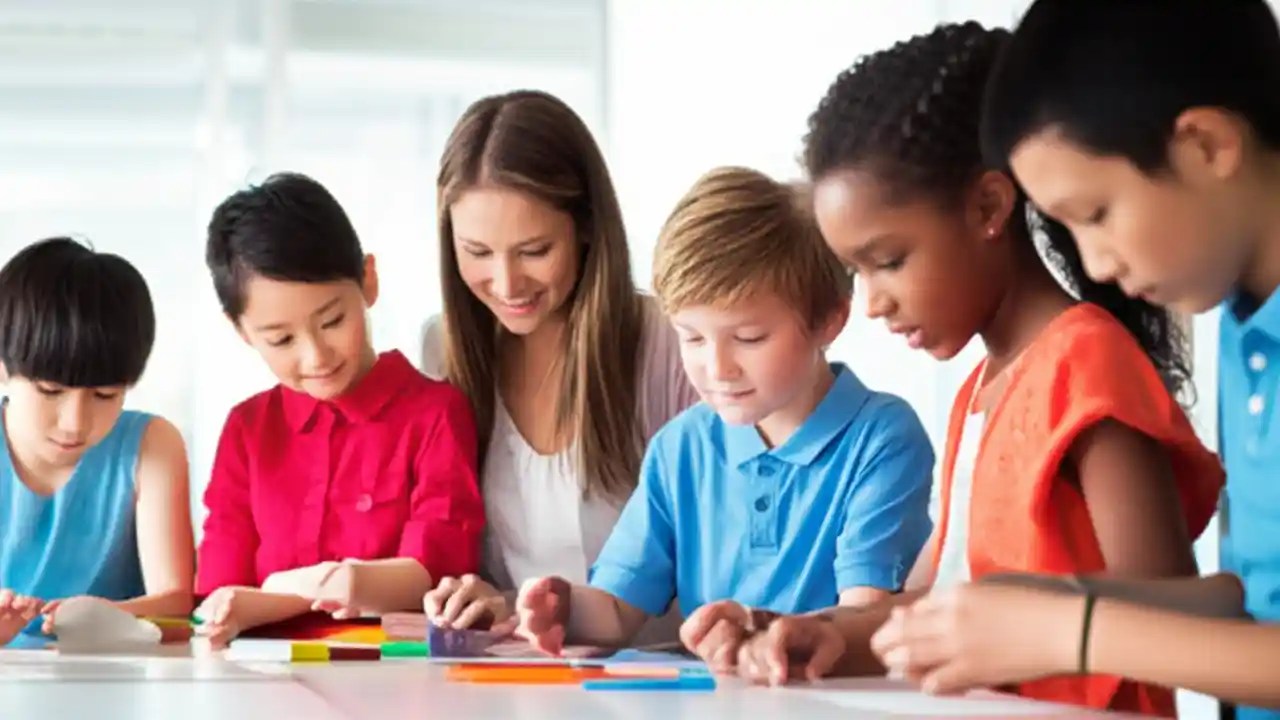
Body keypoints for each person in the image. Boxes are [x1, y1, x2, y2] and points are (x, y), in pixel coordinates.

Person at [682, 22, 1223, 716]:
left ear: (989, 207)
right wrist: (806, 631)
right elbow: (937, 609)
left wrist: (1034, 630)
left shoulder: (1086, 364)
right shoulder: (979, 390)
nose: (872, 302)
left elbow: (1164, 614)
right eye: (855, 270)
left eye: (889, 260)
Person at [873, 1, 1280, 715]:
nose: (1092, 261)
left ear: (1208, 146)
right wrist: (1059, 597)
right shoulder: (1248, 331)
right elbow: (1246, 601)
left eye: (1095, 214)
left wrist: (1078, 629)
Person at [512, 166, 935, 654]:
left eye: (749, 338)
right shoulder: (681, 448)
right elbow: (615, 610)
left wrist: (757, 628)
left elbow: (865, 613)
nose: (717, 368)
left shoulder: (881, 438)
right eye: (691, 337)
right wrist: (560, 608)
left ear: (828, 321)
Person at [419, 90, 697, 639]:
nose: (505, 284)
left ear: (587, 227)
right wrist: (483, 600)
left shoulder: (670, 341)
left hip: (661, 678)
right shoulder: (442, 347)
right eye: (477, 252)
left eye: (533, 251)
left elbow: (712, 543)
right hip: (522, 677)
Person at [195, 172, 484, 647]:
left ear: (368, 281)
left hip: (396, 684)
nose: (316, 356)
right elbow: (216, 595)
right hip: (261, 684)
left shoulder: (435, 414)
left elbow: (433, 577)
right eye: (281, 339)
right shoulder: (247, 430)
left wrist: (290, 593)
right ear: (242, 330)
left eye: (332, 321)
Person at [0, 237, 194, 648]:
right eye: (51, 390)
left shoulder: (151, 446)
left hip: (109, 680)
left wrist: (95, 619)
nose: (75, 423)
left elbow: (177, 607)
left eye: (105, 395)